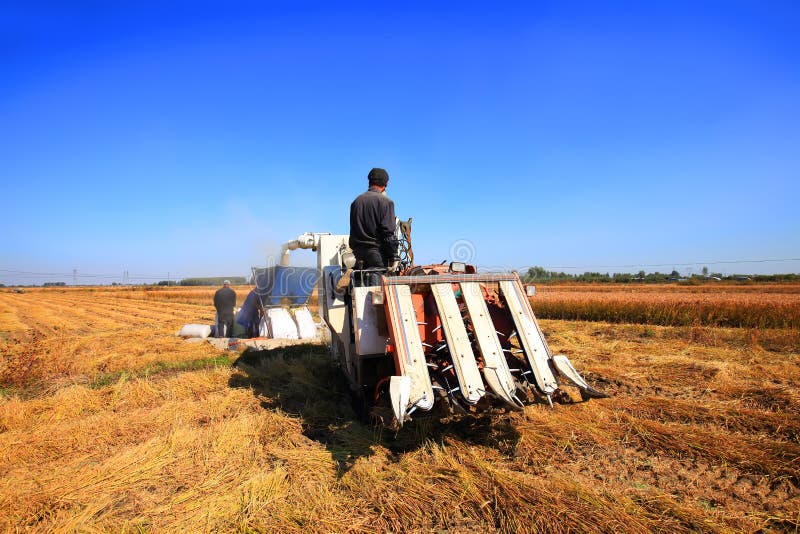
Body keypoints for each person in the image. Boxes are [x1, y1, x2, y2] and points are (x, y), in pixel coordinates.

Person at [349, 167, 400, 285]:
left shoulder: (356, 202)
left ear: (369, 181)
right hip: (376, 254)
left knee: (359, 286)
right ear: (385, 184)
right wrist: (394, 256)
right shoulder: (386, 202)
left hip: (358, 253)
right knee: (376, 296)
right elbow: (388, 234)